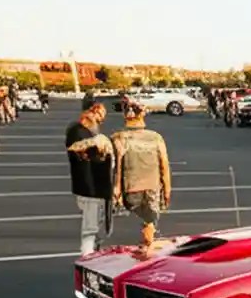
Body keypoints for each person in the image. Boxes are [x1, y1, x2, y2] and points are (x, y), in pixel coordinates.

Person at [111, 102, 172, 249]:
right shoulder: (155, 138)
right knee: (150, 221)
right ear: (142, 115)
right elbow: (164, 165)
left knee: (137, 220)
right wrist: (167, 189)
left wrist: (116, 189)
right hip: (152, 187)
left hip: (131, 187)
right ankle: (148, 245)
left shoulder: (119, 138)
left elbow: (117, 167)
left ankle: (144, 246)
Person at [65, 104, 114, 254]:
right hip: (88, 185)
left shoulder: (86, 132)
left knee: (97, 221)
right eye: (99, 116)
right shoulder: (79, 132)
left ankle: (94, 249)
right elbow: (77, 151)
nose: (100, 121)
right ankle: (87, 253)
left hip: (94, 185)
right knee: (91, 224)